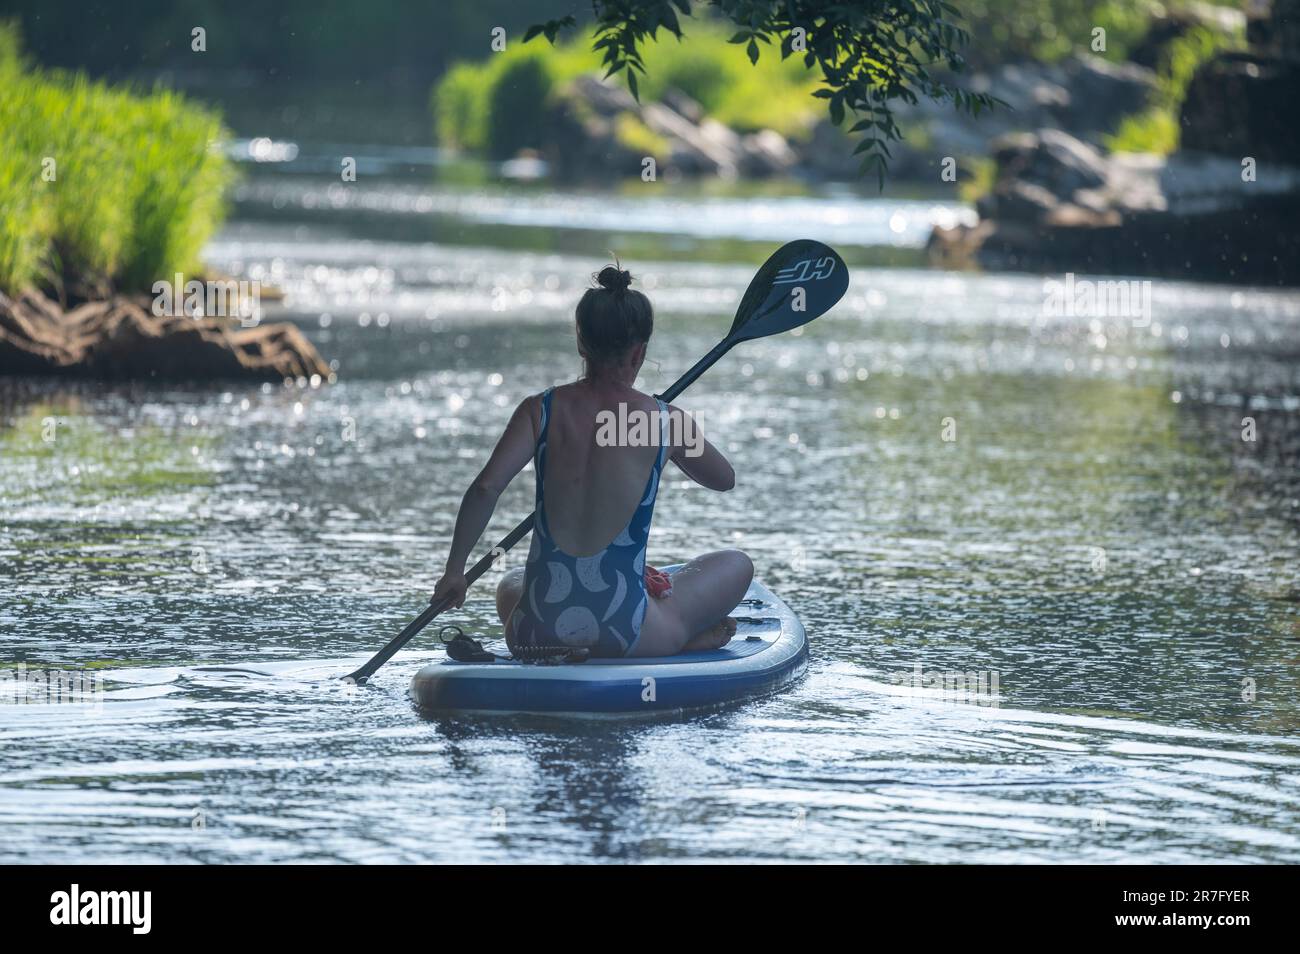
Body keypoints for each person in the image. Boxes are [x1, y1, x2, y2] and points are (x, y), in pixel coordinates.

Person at [432, 264, 753, 657]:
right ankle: (684, 639)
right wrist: (671, 443)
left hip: (534, 631)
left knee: (512, 583)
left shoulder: (540, 410)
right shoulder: (667, 421)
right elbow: (724, 479)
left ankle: (569, 642)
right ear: (640, 351)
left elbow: (486, 487)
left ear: (581, 344)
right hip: (626, 632)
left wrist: (455, 572)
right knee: (737, 564)